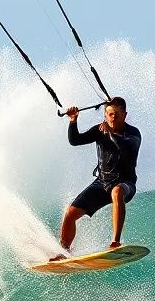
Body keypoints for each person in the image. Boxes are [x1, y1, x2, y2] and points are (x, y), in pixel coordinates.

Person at [51, 97, 142, 259]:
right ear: (105, 115)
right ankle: (65, 252)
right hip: (102, 183)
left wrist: (110, 132)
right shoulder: (100, 130)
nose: (112, 118)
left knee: (117, 192)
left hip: (125, 183)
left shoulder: (133, 133)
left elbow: (124, 146)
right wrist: (73, 121)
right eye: (110, 114)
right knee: (70, 214)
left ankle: (115, 242)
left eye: (116, 114)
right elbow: (75, 141)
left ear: (125, 115)